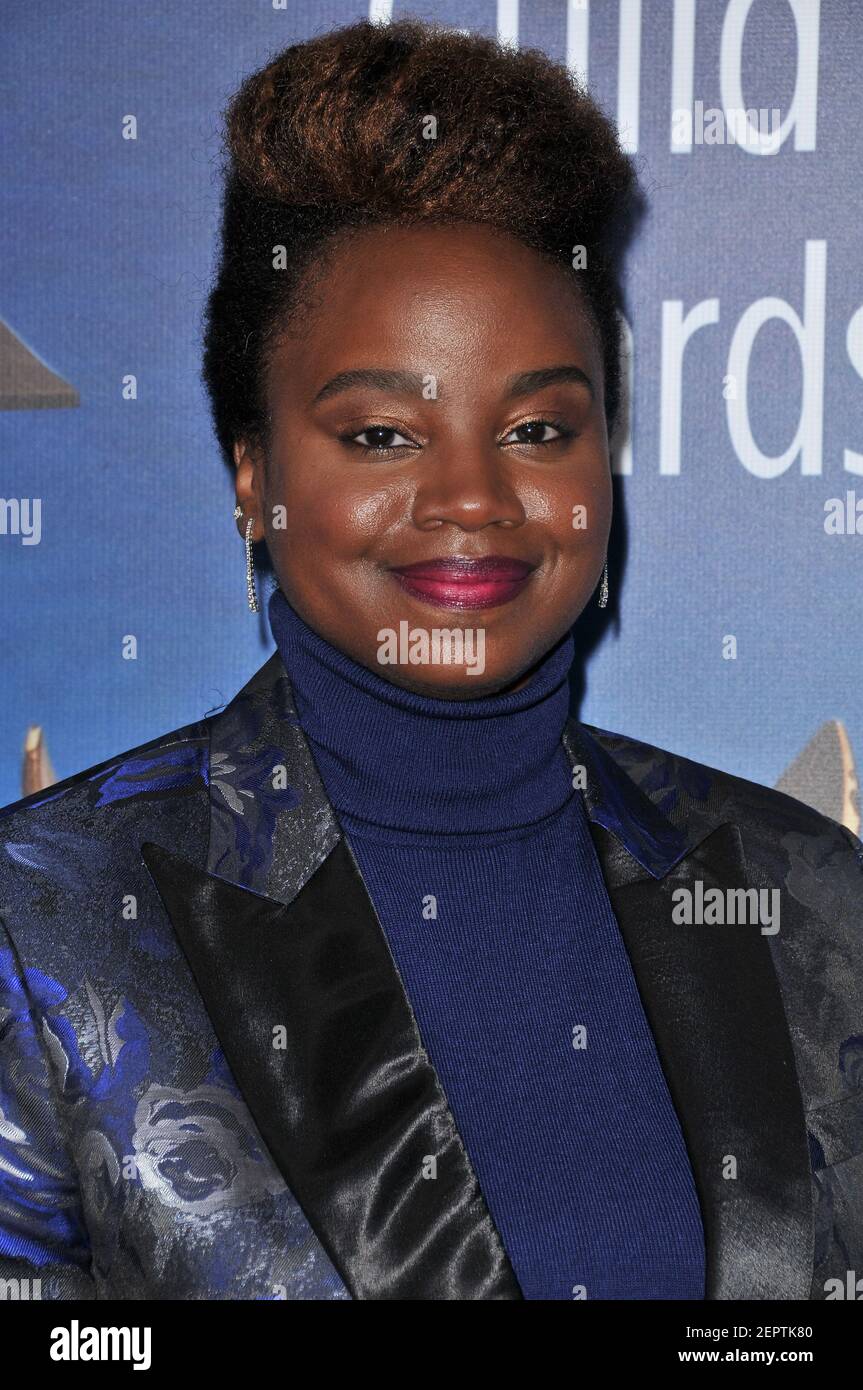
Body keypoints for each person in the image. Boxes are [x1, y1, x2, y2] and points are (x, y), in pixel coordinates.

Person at [0, 16, 860, 1302]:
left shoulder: (808, 898)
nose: (472, 495)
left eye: (534, 423)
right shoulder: (45, 928)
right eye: (384, 435)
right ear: (253, 476)